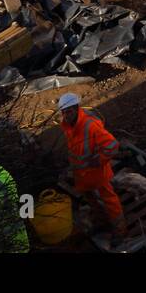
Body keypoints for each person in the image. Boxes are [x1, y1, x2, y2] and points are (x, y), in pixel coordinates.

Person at [58, 93, 126, 239]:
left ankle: (120, 230)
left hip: (97, 172)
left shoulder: (90, 125)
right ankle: (102, 222)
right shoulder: (67, 126)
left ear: (76, 109)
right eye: (63, 112)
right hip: (81, 175)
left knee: (109, 199)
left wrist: (99, 160)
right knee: (91, 199)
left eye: (68, 111)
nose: (66, 115)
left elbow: (112, 146)